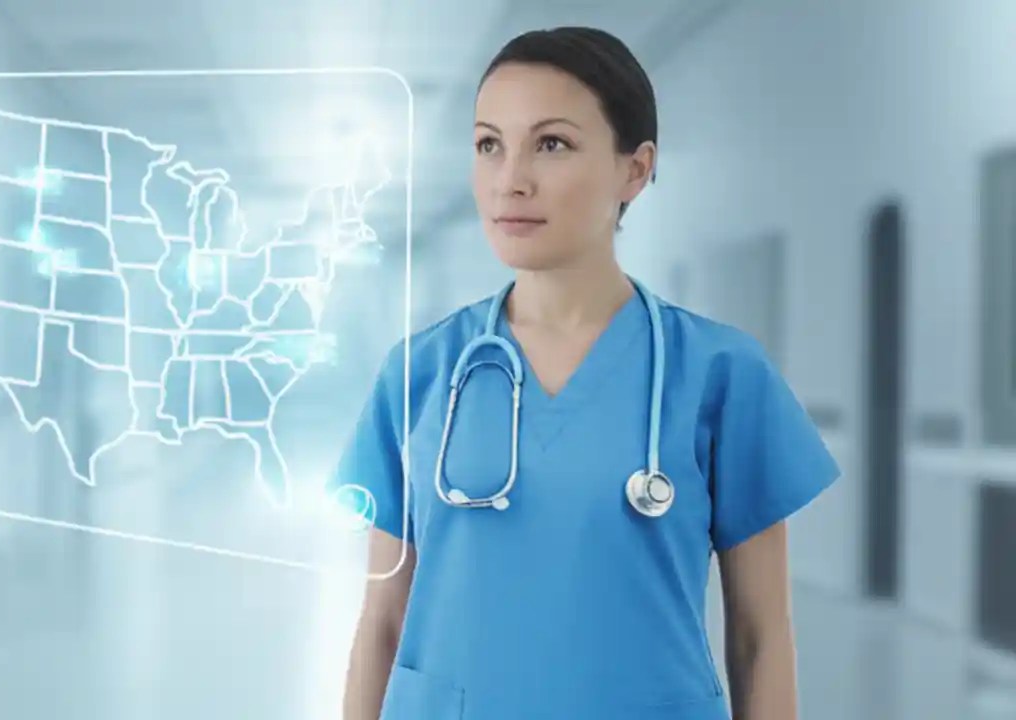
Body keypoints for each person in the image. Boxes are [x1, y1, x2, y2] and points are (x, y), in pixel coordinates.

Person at [335, 25, 841, 720]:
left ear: (634, 169)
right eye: (489, 144)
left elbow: (761, 636)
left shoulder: (719, 374)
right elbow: (382, 621)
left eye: (552, 144)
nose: (510, 178)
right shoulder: (420, 373)